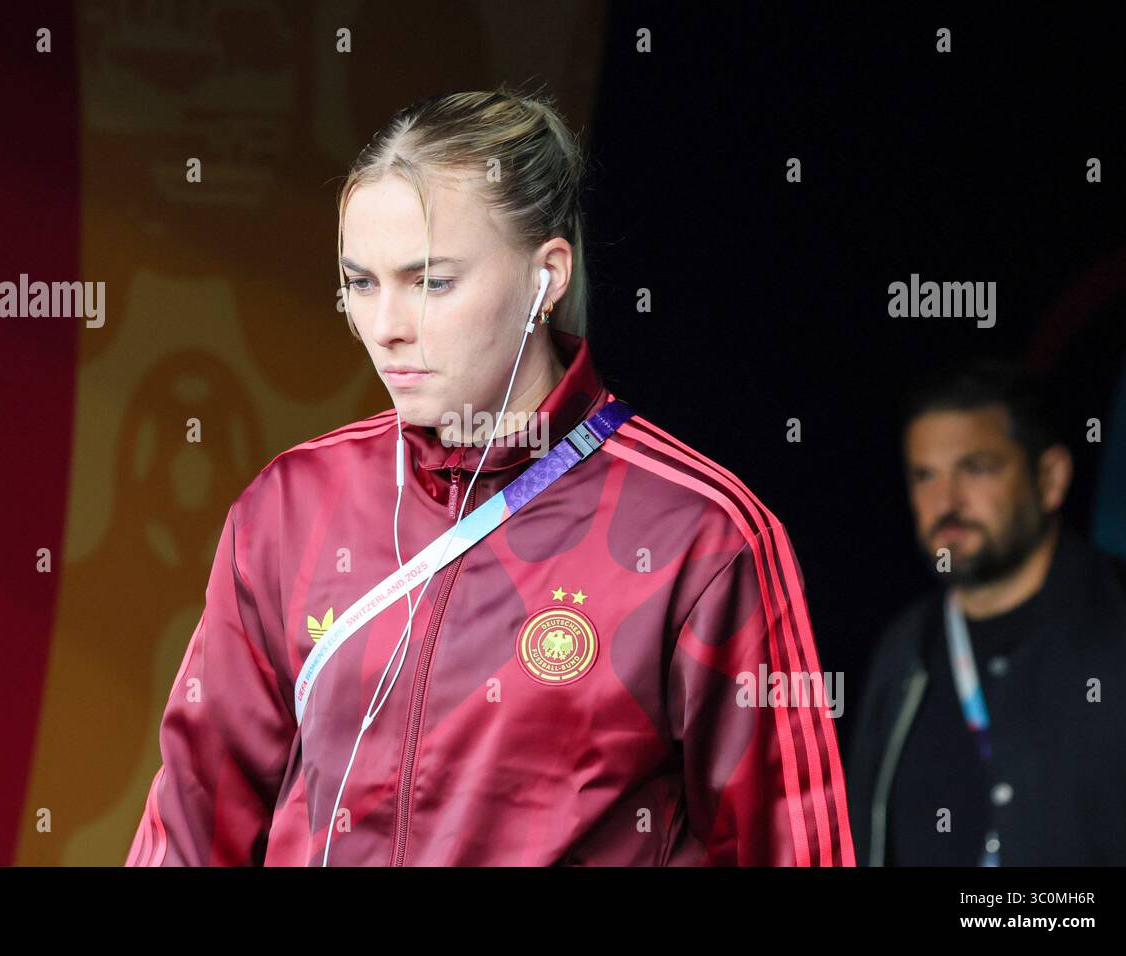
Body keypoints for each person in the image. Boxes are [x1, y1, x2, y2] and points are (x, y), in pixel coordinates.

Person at [125, 85, 853, 866]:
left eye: (431, 281)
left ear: (547, 278)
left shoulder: (701, 536)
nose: (386, 327)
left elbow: (792, 848)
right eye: (361, 282)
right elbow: (192, 826)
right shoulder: (293, 504)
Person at [845, 360, 1126, 865]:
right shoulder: (905, 649)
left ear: (1049, 478)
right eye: (925, 475)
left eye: (976, 468)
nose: (946, 502)